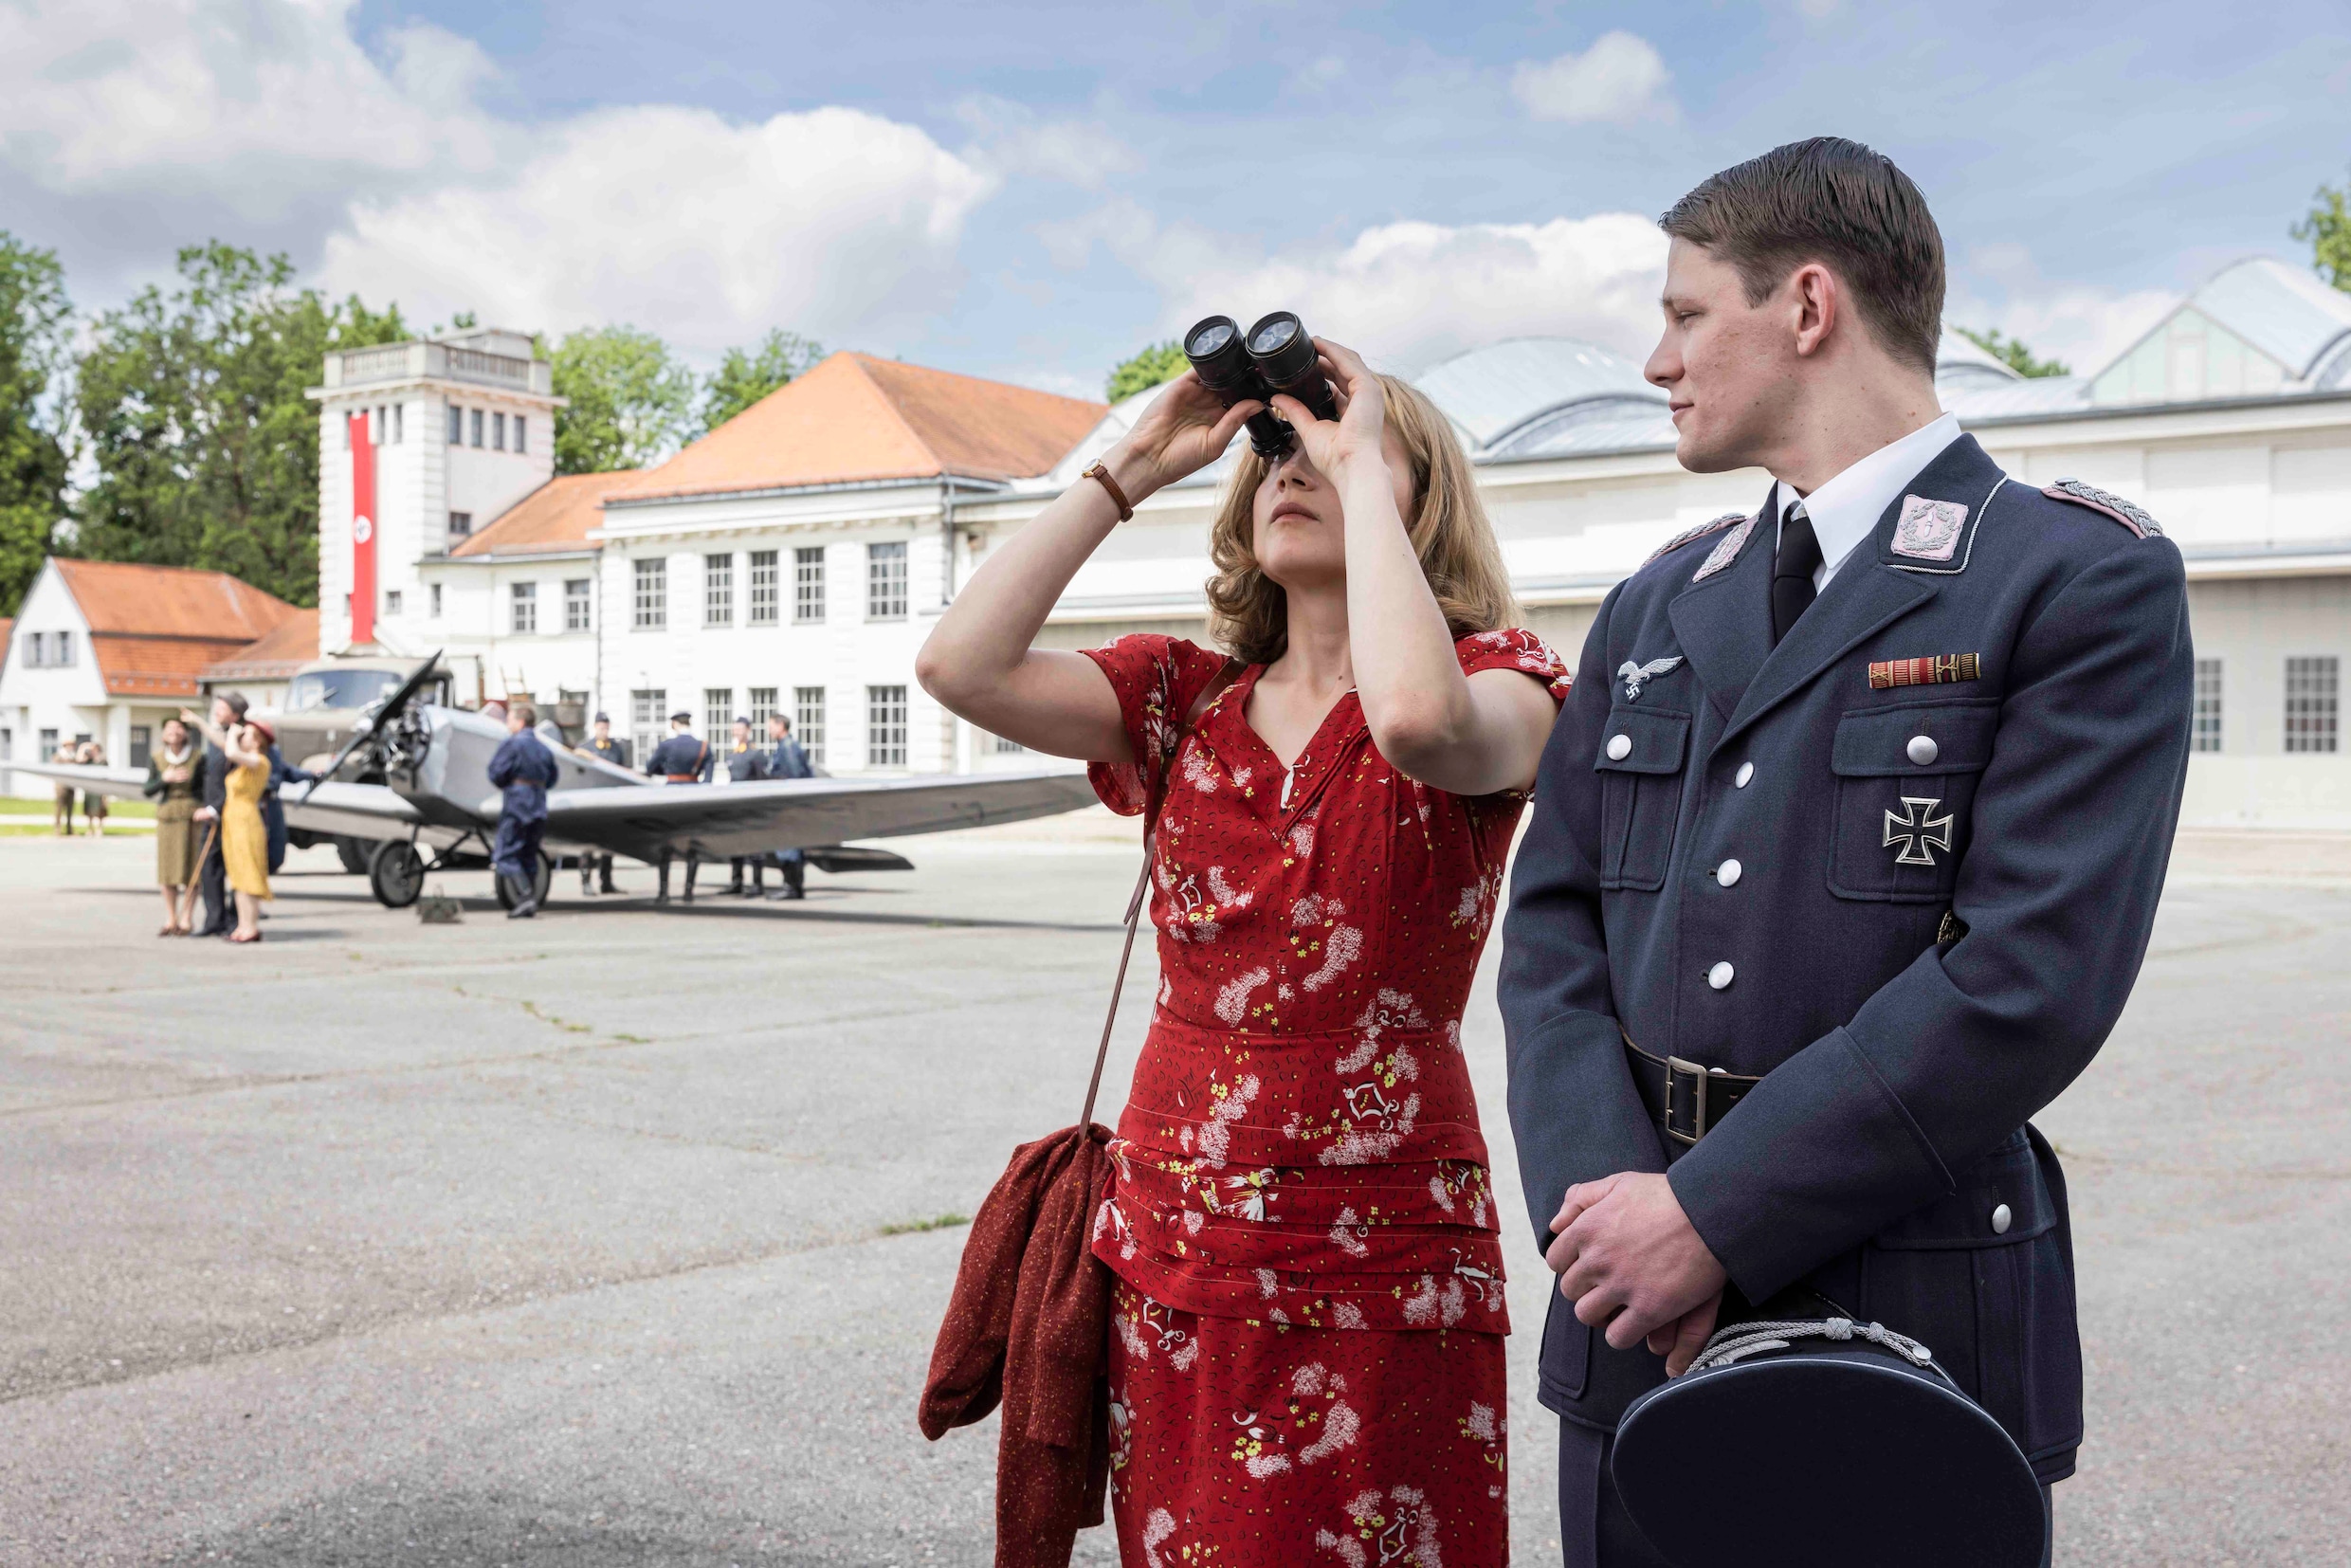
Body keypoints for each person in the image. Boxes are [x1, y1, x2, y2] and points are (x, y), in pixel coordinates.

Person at [1498, 138, 2194, 1568]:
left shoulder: (2069, 576)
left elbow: (2029, 975)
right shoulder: (1655, 601)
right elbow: (1554, 934)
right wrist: (1616, 1235)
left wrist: (1712, 1217)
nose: (1653, 357)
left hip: (1904, 1303)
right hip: (1636, 1313)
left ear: (1808, 308)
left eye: (1687, 313)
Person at [917, 337, 1569, 1567]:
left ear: (1409, 494)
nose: (1296, 467)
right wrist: (1128, 468)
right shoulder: (1186, 701)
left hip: (1379, 1249)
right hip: (1173, 1236)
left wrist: (1358, 459)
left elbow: (1421, 723)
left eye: (1334, 451)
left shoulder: (1502, 678)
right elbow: (961, 664)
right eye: (1275, 453)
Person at [183, 709, 275, 943]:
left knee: (248, 874)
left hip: (246, 821)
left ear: (256, 741)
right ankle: (243, 926)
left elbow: (231, 749)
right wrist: (199, 722)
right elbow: (224, 745)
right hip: (232, 821)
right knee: (238, 876)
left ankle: (251, 927)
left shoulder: (259, 760)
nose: (240, 737)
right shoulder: (244, 763)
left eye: (247, 735)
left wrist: (234, 732)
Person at [488, 700, 561, 919]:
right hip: (539, 804)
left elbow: (495, 772)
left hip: (517, 804)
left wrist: (511, 786)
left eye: (510, 719)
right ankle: (526, 902)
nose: (508, 724)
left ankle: (527, 896)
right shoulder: (544, 748)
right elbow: (552, 777)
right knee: (529, 855)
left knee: (505, 854)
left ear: (520, 721)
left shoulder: (512, 744)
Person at [190, 693, 248, 938]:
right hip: (212, 812)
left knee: (236, 868)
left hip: (232, 813)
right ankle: (214, 920)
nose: (217, 711)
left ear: (235, 714)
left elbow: (238, 781)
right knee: (210, 868)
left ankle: (236, 921)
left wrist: (216, 808)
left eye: (223, 708)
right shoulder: (217, 737)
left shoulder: (242, 738)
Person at [644, 712, 713, 903]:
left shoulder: (667, 746)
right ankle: (688, 892)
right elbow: (708, 780)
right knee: (692, 846)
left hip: (670, 796)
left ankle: (664, 892)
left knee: (666, 845)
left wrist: (666, 770)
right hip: (694, 796)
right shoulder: (704, 747)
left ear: (675, 724)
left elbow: (650, 768)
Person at [146, 717, 205, 935]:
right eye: (170, 728)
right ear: (163, 734)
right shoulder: (157, 758)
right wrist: (165, 778)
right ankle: (171, 917)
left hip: (191, 815)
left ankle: (187, 918)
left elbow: (203, 787)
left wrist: (204, 806)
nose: (175, 731)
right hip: (168, 816)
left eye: (179, 727)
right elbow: (148, 789)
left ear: (186, 733)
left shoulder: (198, 757)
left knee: (192, 868)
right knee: (168, 869)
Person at [574, 711, 629, 894]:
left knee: (609, 845)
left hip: (610, 802)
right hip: (589, 802)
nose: (604, 730)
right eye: (601, 727)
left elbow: (621, 771)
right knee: (587, 846)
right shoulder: (585, 748)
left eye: (606, 727)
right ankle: (585, 882)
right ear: (595, 727)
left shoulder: (616, 748)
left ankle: (606, 882)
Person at [763, 711, 811, 901]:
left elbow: (794, 777)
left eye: (771, 725)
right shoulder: (785, 746)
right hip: (790, 804)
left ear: (780, 726)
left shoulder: (788, 747)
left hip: (789, 805)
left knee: (787, 847)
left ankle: (791, 887)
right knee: (790, 846)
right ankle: (794, 887)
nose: (769, 729)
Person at [720, 716, 769, 895]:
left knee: (755, 846)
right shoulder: (732, 755)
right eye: (735, 729)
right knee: (735, 845)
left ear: (748, 730)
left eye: (740, 729)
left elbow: (762, 780)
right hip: (735, 806)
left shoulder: (756, 754)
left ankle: (757, 884)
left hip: (751, 806)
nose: (737, 732)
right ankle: (736, 882)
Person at [263, 738, 319, 875]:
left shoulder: (272, 752)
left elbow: (287, 772)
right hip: (258, 802)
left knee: (277, 846)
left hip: (273, 802)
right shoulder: (246, 755)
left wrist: (310, 774)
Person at [76, 741, 109, 835]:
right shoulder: (88, 761)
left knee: (100, 809)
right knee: (89, 808)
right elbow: (78, 762)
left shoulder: (103, 762)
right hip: (89, 788)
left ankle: (99, 828)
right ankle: (90, 828)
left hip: (100, 788)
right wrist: (82, 748)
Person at [50, 743, 77, 835]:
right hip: (61, 785)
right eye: (69, 746)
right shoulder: (59, 755)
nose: (71, 747)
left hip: (71, 784)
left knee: (70, 808)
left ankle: (69, 828)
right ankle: (57, 828)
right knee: (59, 807)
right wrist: (69, 761)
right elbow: (56, 761)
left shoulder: (73, 756)